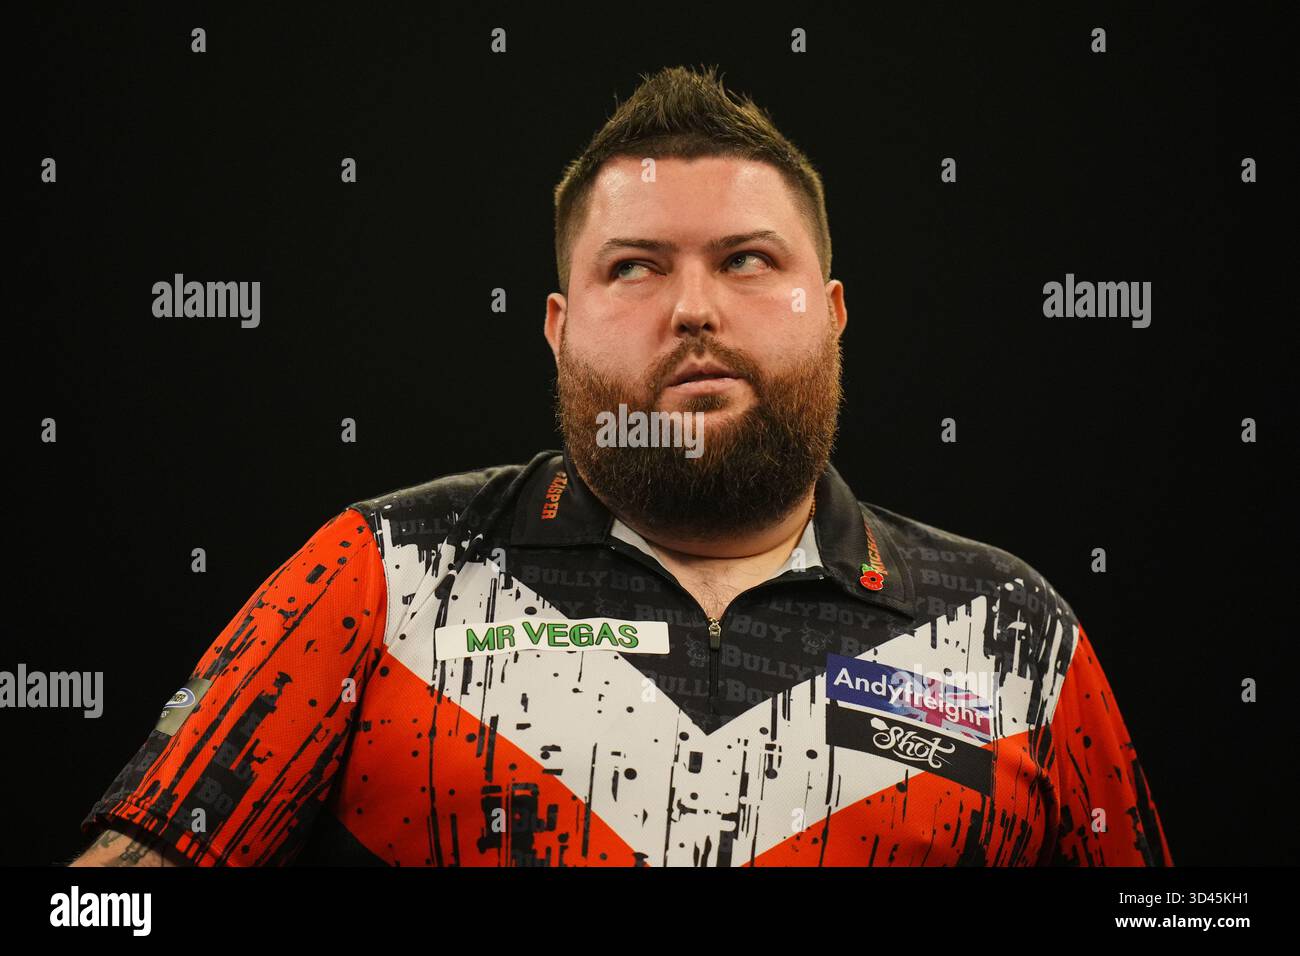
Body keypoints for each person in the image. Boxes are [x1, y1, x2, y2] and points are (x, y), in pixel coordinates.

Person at [71, 64, 1172, 867]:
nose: (693, 308)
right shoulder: (382, 573)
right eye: (635, 267)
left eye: (747, 260)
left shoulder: (1013, 632)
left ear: (831, 314)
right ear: (557, 325)